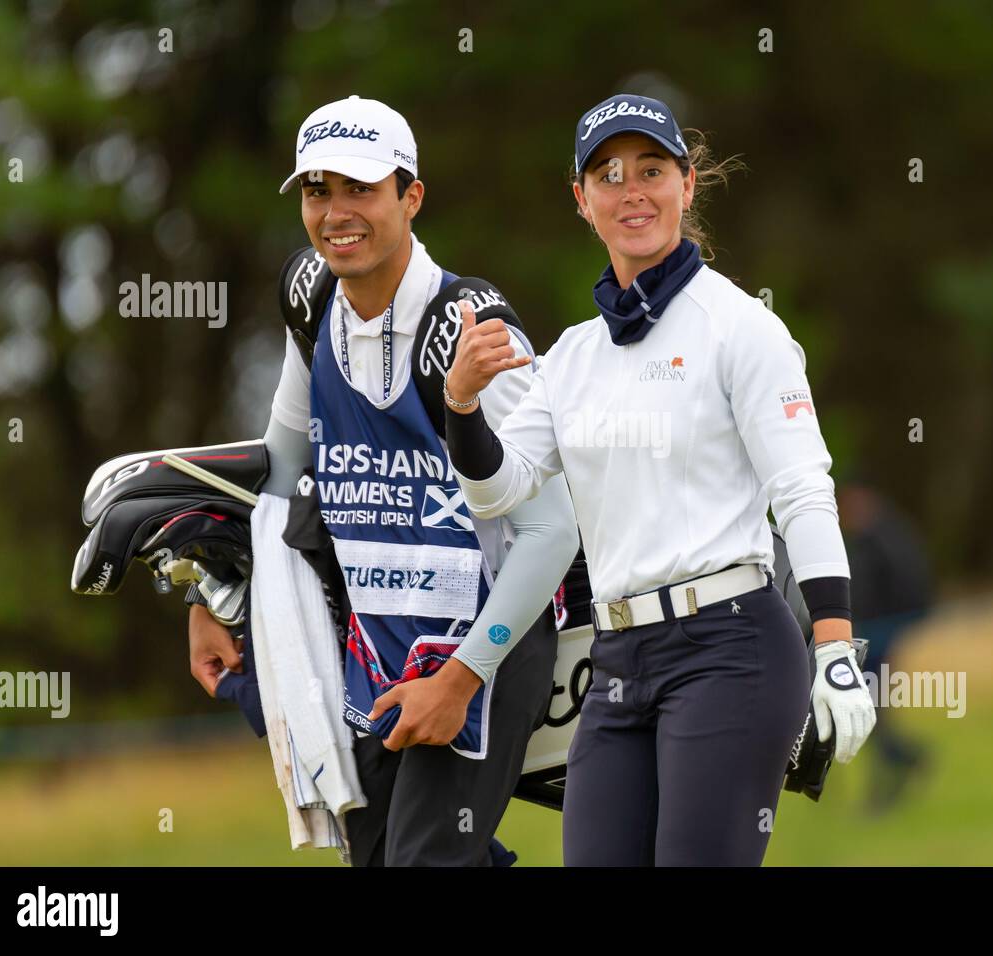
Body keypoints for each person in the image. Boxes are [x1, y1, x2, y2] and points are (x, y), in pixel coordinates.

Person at [440, 93, 876, 866]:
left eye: (651, 170)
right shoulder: (572, 356)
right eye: (608, 175)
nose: (630, 190)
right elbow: (497, 492)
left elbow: (803, 488)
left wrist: (836, 643)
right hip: (617, 662)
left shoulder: (740, 327)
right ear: (582, 199)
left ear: (687, 184)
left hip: (731, 647)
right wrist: (462, 405)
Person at [186, 95, 579, 865]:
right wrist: (211, 596)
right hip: (373, 648)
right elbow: (282, 471)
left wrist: (462, 679)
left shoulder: (469, 330)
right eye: (316, 190)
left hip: (485, 649)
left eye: (360, 189)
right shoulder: (313, 297)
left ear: (411, 197)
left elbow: (551, 530)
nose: (336, 212)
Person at [839, 478, 932, 813]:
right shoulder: (868, 539)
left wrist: (893, 628)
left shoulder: (886, 539)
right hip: (868, 637)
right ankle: (897, 772)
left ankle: (906, 765)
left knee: (872, 713)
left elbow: (910, 587)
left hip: (879, 637)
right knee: (871, 714)